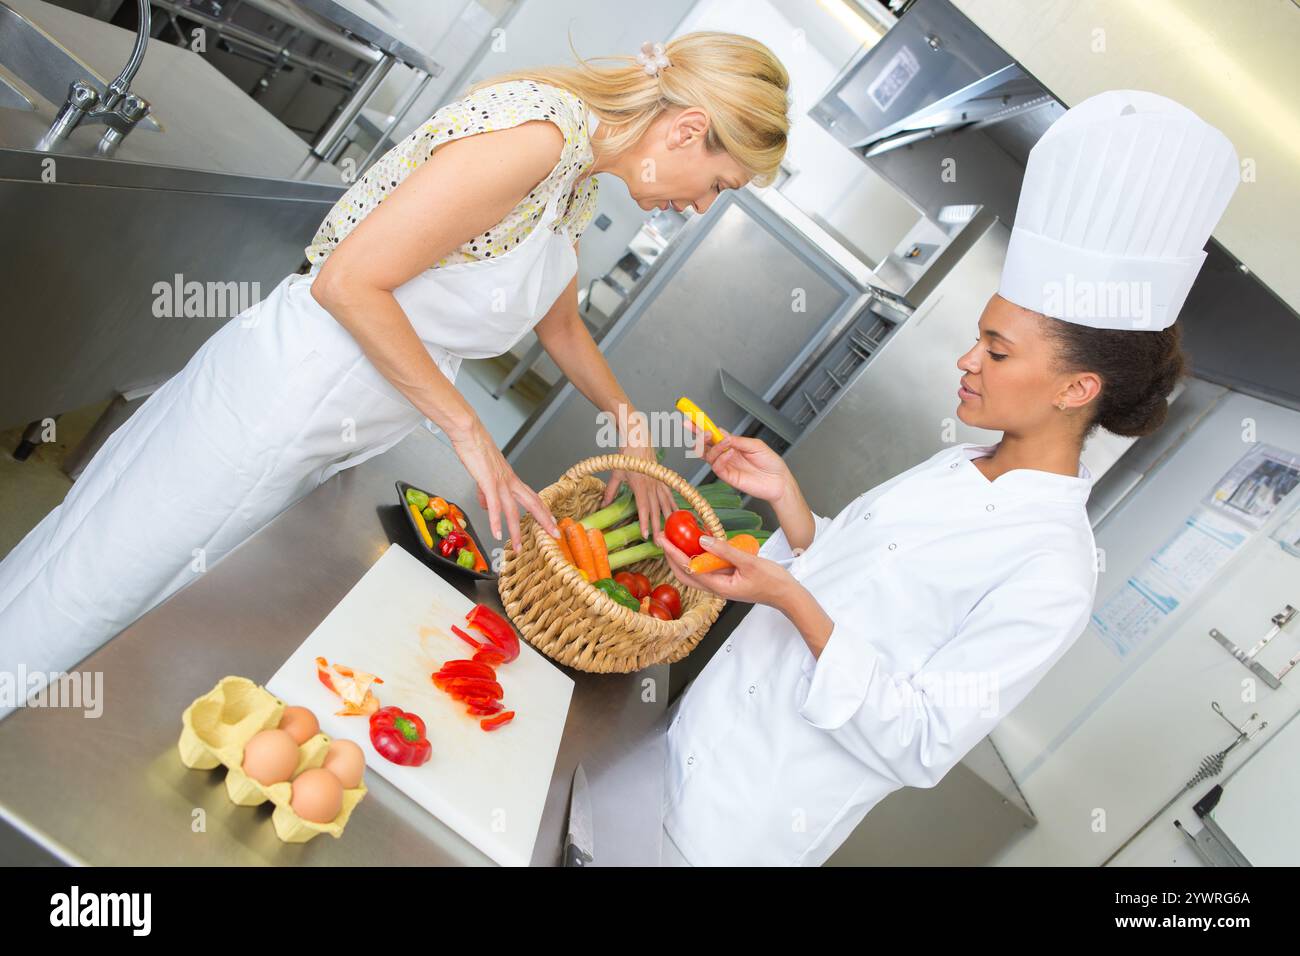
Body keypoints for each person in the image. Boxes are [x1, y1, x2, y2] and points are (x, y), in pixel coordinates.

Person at [0, 33, 791, 716]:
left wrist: (627, 419)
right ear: (689, 130)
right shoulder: (536, 138)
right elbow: (349, 281)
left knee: (151, 595)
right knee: (103, 582)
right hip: (287, 397)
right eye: (718, 185)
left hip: (335, 418)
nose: (699, 207)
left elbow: (559, 321)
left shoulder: (577, 177)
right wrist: (469, 433)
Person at [654, 89, 1240, 866]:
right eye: (978, 339)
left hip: (743, 823)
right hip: (693, 738)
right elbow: (863, 591)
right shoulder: (960, 464)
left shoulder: (1054, 569)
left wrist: (788, 595)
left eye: (997, 352)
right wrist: (789, 505)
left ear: (1076, 389)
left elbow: (922, 741)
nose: (969, 360)